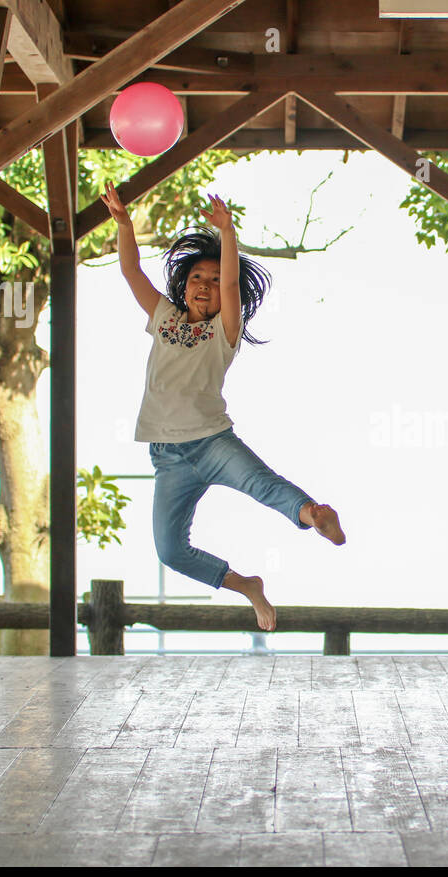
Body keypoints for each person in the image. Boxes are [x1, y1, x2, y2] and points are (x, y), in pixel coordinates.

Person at [99, 182, 345, 631]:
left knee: (263, 485)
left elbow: (231, 282)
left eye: (213, 281)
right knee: (170, 551)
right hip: (167, 457)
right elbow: (131, 270)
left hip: (213, 443)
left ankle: (313, 515)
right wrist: (124, 225)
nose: (206, 286)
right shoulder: (164, 317)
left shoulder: (223, 330)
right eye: (197, 278)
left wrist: (227, 232)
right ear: (184, 286)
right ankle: (246, 585)